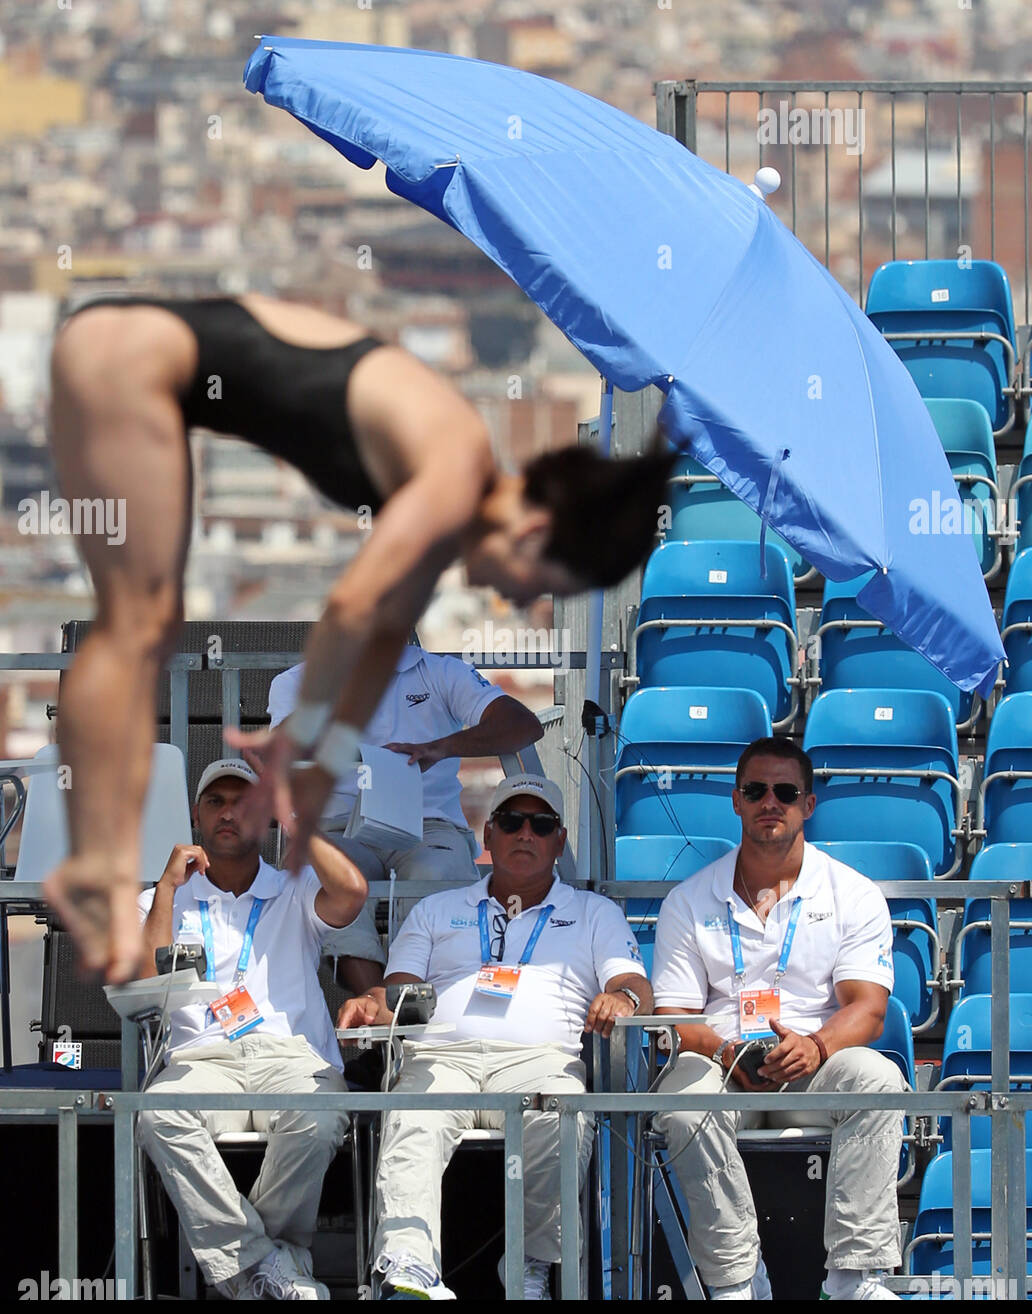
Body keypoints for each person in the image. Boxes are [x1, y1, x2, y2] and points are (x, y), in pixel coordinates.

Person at [45, 293, 673, 982]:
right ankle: (95, 869)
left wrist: (322, 752)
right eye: (540, 581)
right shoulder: (455, 471)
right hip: (128, 358)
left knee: (144, 620)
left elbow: (375, 642)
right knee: (138, 621)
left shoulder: (446, 516)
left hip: (143, 363)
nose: (522, 599)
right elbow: (349, 606)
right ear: (534, 531)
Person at [338, 772, 652, 1300]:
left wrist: (625, 1000)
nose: (524, 833)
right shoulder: (438, 910)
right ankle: (408, 1271)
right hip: (443, 1057)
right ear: (488, 837)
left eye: (541, 823)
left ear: (559, 841)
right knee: (412, 1113)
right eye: (510, 821)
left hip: (541, 1061)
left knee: (563, 1115)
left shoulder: (594, 912)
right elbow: (397, 992)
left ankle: (530, 1266)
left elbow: (633, 980)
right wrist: (373, 1003)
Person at [652, 735, 905, 1302]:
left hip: (811, 1065)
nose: (772, 802)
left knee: (880, 1081)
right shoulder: (689, 899)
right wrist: (724, 1051)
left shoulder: (853, 893)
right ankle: (736, 1283)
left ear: (808, 805)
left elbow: (868, 1007)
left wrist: (815, 1046)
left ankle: (855, 1280)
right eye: (756, 790)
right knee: (682, 1102)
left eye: (786, 791)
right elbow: (673, 1017)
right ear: (735, 800)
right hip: (721, 1062)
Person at [135, 757, 378, 1300]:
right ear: (196, 816)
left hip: (289, 1058)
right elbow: (141, 982)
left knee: (319, 1118)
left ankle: (251, 1273)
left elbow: (353, 893)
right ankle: (268, 1265)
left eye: (244, 802)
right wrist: (167, 888)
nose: (229, 813)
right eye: (216, 802)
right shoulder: (163, 899)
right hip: (202, 1061)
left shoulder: (295, 887)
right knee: (155, 1116)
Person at [268, 644, 544, 886]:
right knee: (318, 874)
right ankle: (352, 949)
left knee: (436, 874)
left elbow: (522, 724)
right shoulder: (297, 681)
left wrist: (437, 748)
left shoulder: (442, 672)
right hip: (336, 828)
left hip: (430, 827)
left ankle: (415, 947)